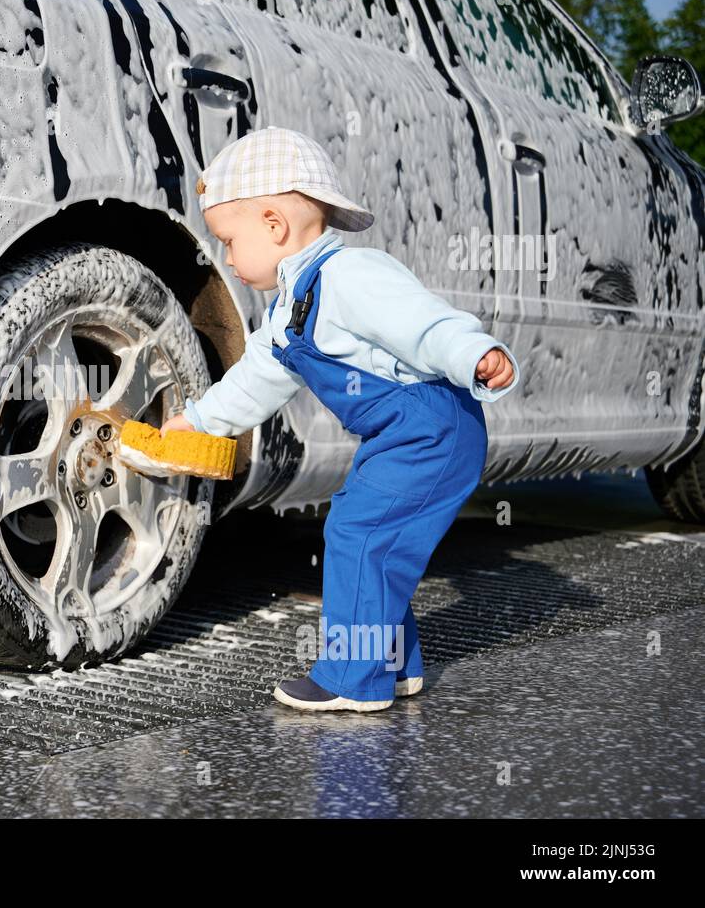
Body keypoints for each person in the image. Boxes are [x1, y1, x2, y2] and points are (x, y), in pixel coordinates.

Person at [162, 127, 520, 711]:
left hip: (433, 429)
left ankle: (352, 680)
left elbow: (422, 322)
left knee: (360, 532)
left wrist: (473, 354)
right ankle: (396, 666)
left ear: (274, 225)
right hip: (402, 435)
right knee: (381, 539)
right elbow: (257, 379)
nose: (226, 256)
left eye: (229, 240)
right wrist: (200, 420)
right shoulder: (289, 308)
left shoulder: (352, 278)